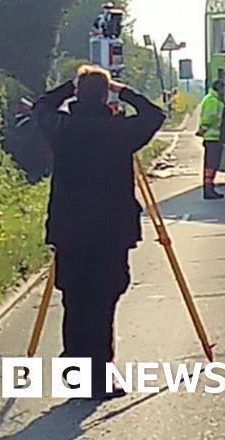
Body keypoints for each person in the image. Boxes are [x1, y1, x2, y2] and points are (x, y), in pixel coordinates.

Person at [33, 65, 165, 400]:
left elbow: (42, 106)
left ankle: (76, 376)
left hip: (71, 231)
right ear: (106, 95)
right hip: (111, 231)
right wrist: (122, 91)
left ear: (78, 93)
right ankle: (101, 378)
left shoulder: (62, 128)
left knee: (75, 303)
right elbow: (155, 114)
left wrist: (70, 87)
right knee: (102, 304)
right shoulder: (119, 130)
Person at [196, 79, 225, 200]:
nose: (224, 91)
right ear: (219, 88)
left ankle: (209, 188)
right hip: (212, 138)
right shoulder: (212, 101)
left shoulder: (213, 100)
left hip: (214, 137)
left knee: (212, 164)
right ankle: (208, 190)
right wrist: (202, 130)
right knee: (211, 165)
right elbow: (209, 118)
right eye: (223, 89)